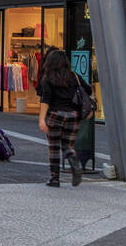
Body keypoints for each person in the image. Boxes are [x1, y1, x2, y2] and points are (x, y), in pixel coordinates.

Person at [38, 48, 89, 187]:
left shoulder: (48, 78)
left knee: (54, 147)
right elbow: (88, 90)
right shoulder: (74, 76)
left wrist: (42, 119)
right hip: (73, 116)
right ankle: (73, 160)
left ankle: (55, 179)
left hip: (55, 115)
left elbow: (46, 100)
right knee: (67, 145)